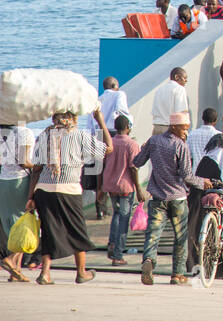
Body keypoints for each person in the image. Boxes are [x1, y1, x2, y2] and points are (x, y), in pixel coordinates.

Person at [25, 108, 111, 285]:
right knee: (77, 230)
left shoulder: (44, 135)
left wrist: (30, 196)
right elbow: (108, 149)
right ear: (73, 118)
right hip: (69, 189)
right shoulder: (79, 135)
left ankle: (45, 273)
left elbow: (37, 169)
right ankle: (81, 272)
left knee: (49, 231)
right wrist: (100, 120)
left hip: (44, 190)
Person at [136, 112, 209, 286]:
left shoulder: (153, 142)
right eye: (184, 129)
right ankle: (177, 274)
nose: (186, 133)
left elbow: (137, 162)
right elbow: (187, 176)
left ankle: (149, 260)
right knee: (181, 237)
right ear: (174, 127)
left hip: (157, 198)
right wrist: (202, 182)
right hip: (178, 199)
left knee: (153, 234)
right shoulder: (181, 146)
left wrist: (142, 148)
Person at [102, 114, 143, 266]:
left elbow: (102, 165)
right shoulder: (132, 144)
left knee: (116, 215)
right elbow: (134, 168)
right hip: (125, 186)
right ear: (128, 128)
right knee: (123, 219)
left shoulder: (109, 142)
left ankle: (112, 245)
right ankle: (118, 255)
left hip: (111, 185)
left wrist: (100, 189)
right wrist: (138, 189)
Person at [0, 118, 37, 282]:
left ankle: (15, 270)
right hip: (19, 181)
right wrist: (39, 166)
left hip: (3, 180)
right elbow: (24, 162)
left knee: (11, 225)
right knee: (24, 223)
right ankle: (11, 260)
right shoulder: (25, 133)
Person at [151, 67, 190, 135]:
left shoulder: (159, 90)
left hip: (156, 128)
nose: (186, 81)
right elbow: (181, 113)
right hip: (170, 130)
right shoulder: (179, 89)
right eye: (185, 78)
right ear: (176, 77)